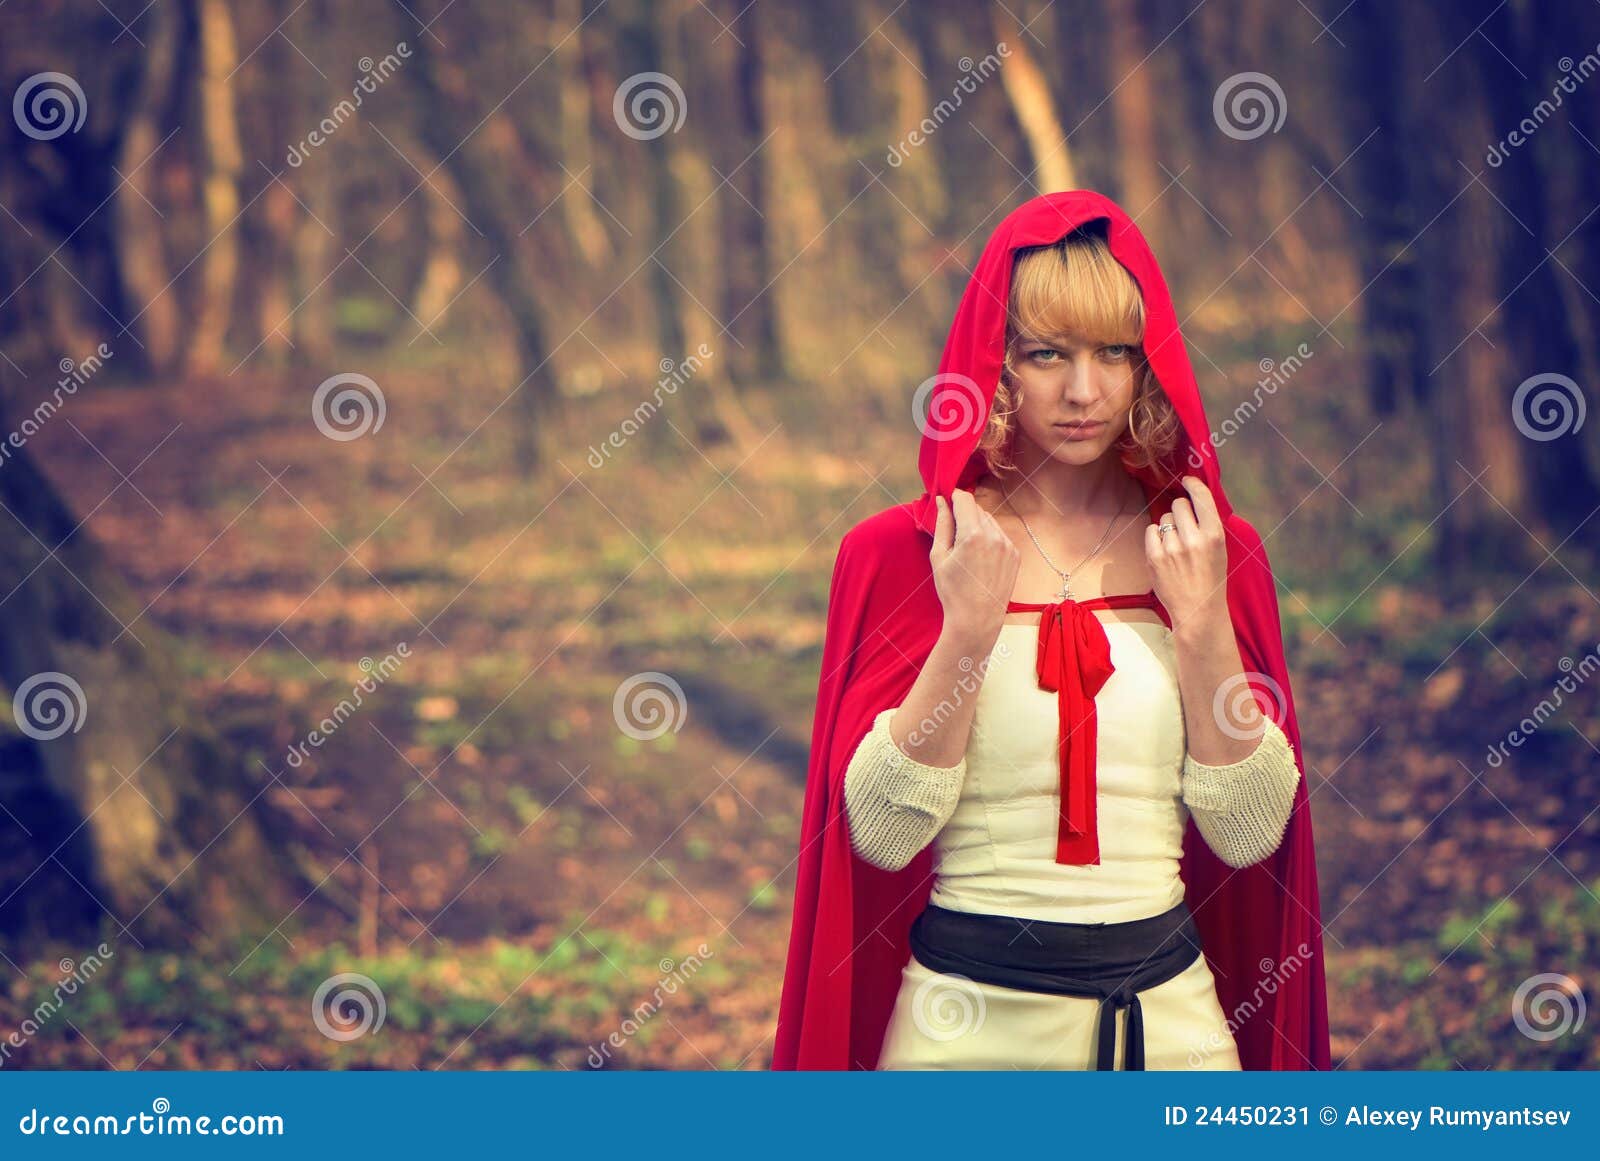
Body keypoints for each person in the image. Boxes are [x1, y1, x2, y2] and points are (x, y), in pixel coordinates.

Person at [773, 190, 1331, 1071]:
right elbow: (880, 833)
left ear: (1149, 362)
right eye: (1047, 353)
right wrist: (966, 632)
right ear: (994, 363)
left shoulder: (1210, 549)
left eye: (1114, 352)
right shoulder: (902, 554)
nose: (1083, 390)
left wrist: (1201, 623)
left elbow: (1251, 831)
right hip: (960, 1040)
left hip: (1168, 1036)